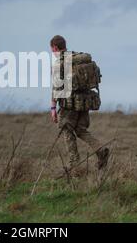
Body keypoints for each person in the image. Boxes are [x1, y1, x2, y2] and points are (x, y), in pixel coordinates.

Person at [50, 35, 109, 175]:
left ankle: (74, 165)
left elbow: (56, 89)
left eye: (52, 49)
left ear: (55, 47)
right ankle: (101, 151)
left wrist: (53, 108)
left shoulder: (60, 63)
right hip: (84, 102)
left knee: (67, 130)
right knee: (81, 130)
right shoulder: (79, 59)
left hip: (69, 105)